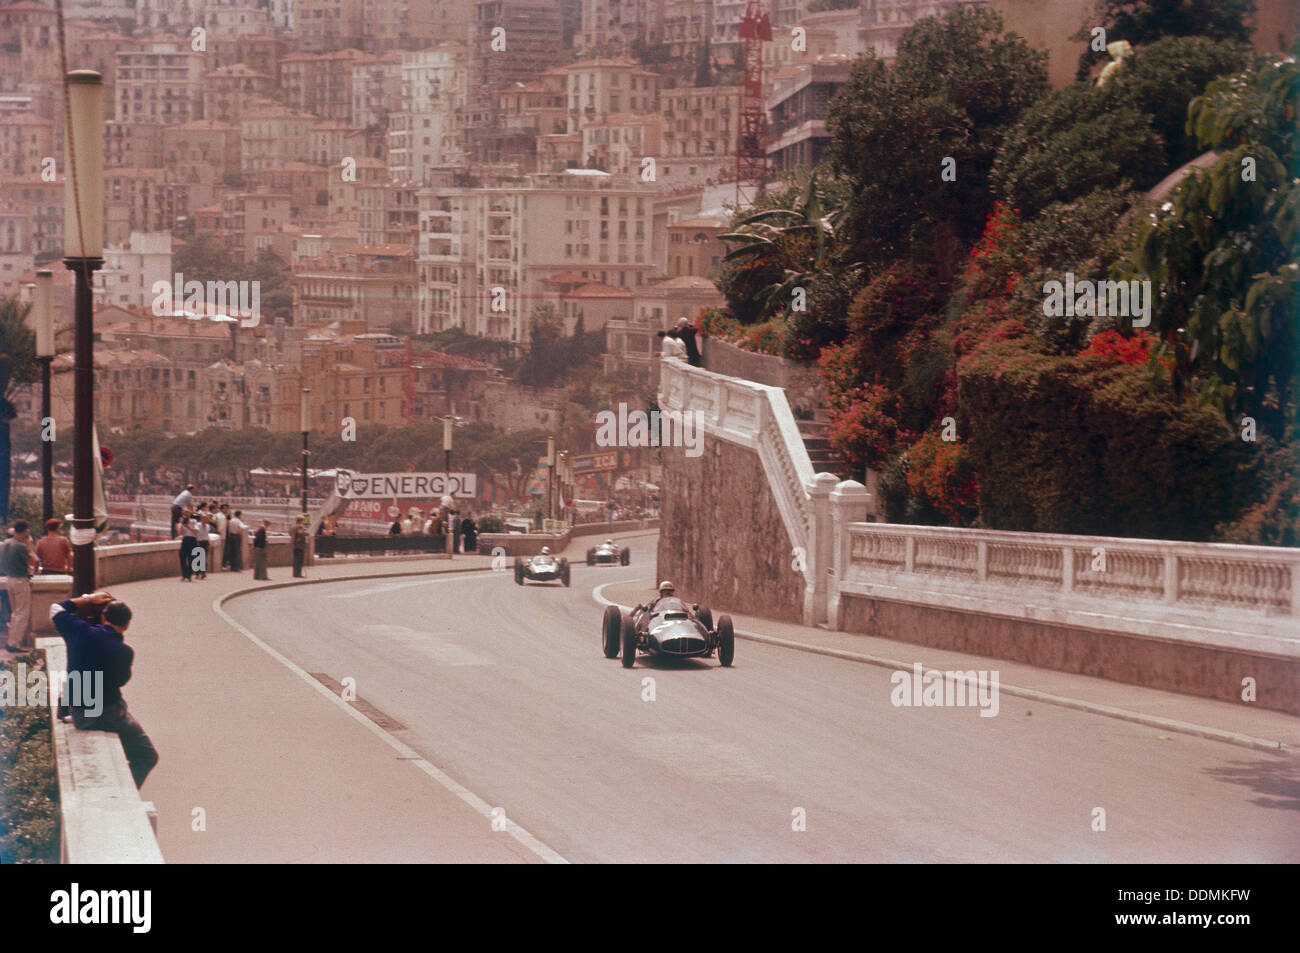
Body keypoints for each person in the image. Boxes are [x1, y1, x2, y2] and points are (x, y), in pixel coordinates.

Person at [50, 591, 158, 789]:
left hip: (79, 706)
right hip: (103, 714)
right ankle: (127, 793)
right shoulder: (124, 652)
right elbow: (121, 680)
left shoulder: (80, 631)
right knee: (147, 754)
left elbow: (56, 609)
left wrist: (88, 599)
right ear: (126, 625)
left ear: (104, 617)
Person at [0, 521, 37, 655]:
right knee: (21, 613)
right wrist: (30, 546)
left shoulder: (5, 543)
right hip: (20, 580)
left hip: (9, 579)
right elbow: (33, 560)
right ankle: (14, 643)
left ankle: (12, 641)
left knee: (15, 612)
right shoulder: (21, 546)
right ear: (25, 531)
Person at [178, 508, 198, 582]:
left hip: (192, 540)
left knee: (191, 558)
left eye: (188, 512)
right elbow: (180, 533)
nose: (186, 514)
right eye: (185, 513)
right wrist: (181, 524)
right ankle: (184, 574)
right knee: (182, 557)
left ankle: (189, 575)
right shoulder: (182, 522)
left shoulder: (194, 521)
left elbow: (196, 531)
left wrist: (188, 527)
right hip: (185, 539)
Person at [214, 504, 230, 570]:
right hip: (218, 535)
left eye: (227, 508)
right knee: (219, 551)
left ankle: (223, 564)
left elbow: (228, 524)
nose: (226, 510)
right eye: (225, 508)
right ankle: (218, 565)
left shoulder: (227, 516)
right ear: (221, 509)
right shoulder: (217, 515)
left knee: (224, 551)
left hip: (225, 535)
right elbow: (215, 524)